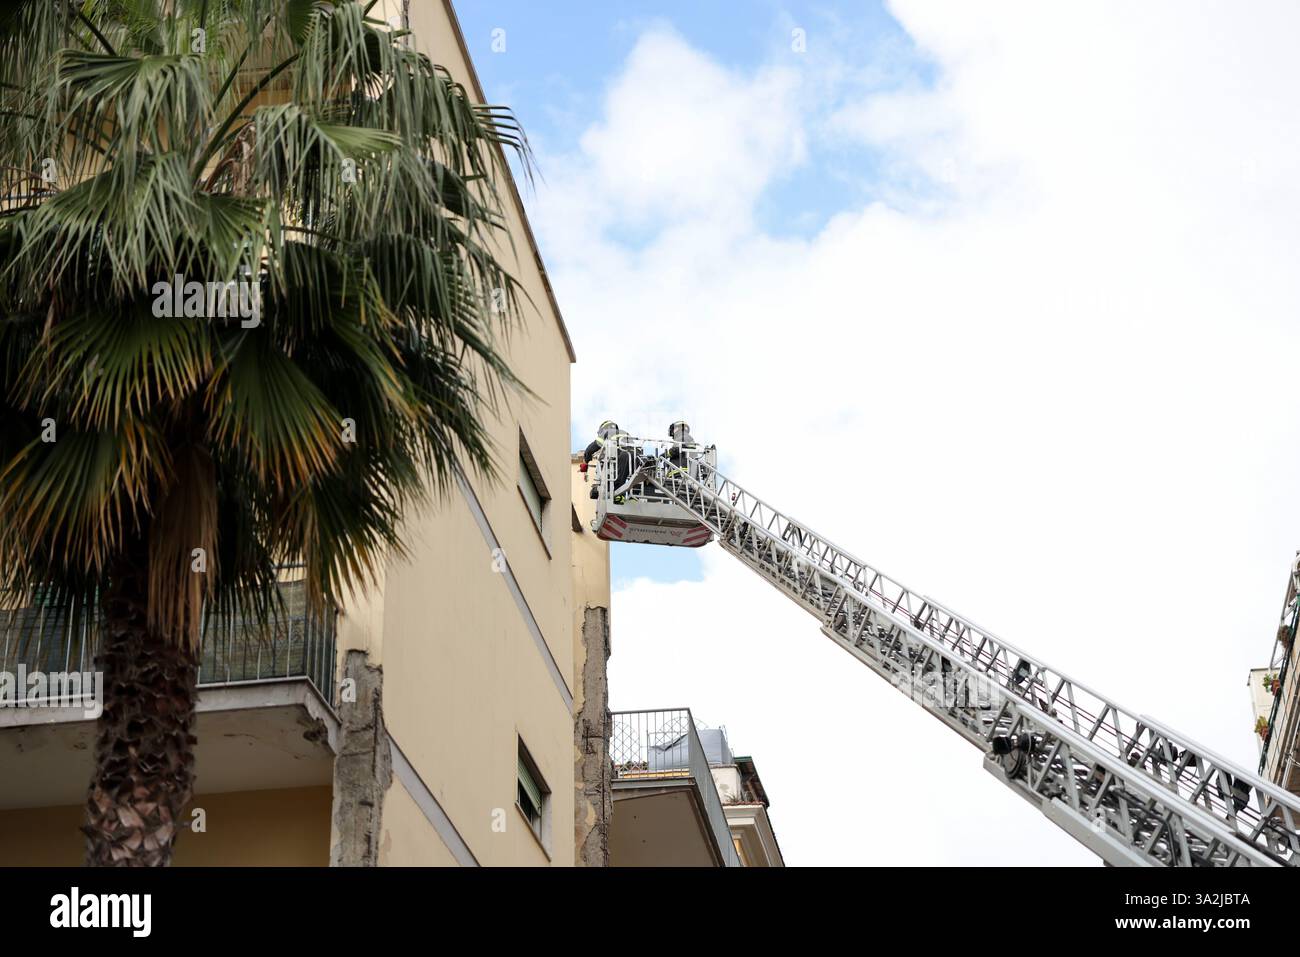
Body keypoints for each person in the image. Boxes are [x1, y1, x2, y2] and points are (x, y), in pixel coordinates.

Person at [581, 420, 633, 500]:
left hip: (623, 456)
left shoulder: (608, 432)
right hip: (635, 456)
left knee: (611, 473)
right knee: (633, 478)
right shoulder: (624, 433)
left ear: (603, 429)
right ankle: (632, 497)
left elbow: (591, 449)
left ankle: (617, 496)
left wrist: (586, 461)